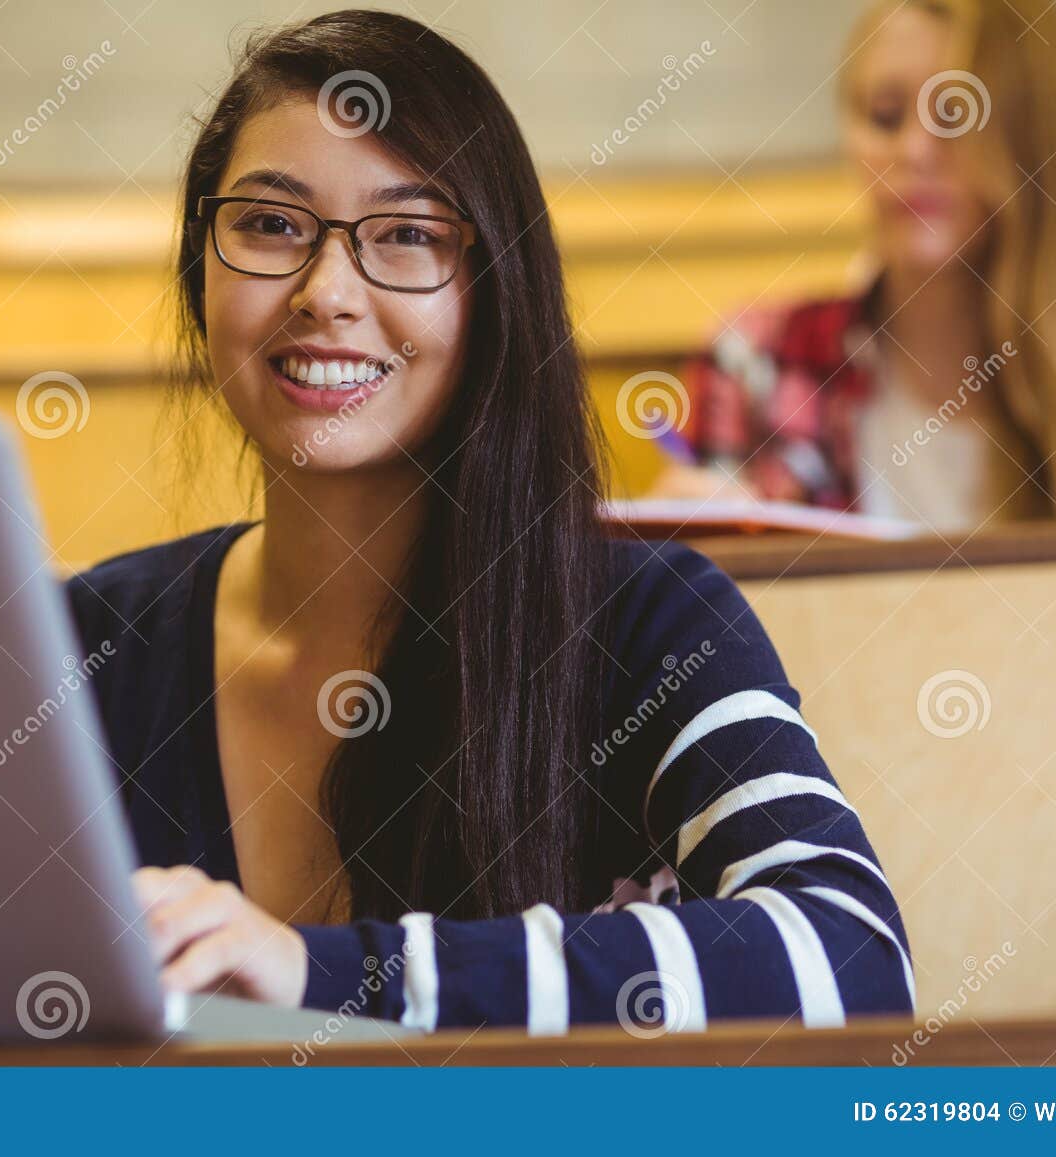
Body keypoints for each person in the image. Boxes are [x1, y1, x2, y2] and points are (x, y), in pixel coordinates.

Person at [65, 9, 913, 1033]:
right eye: (271, 224)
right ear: (200, 269)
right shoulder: (78, 646)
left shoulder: (649, 623)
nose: (326, 292)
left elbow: (849, 959)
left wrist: (322, 975)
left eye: (408, 235)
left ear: (494, 291)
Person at [651, 0, 1056, 533]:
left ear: (1036, 144)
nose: (915, 150)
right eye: (885, 117)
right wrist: (670, 568)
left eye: (955, 114)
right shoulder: (757, 364)